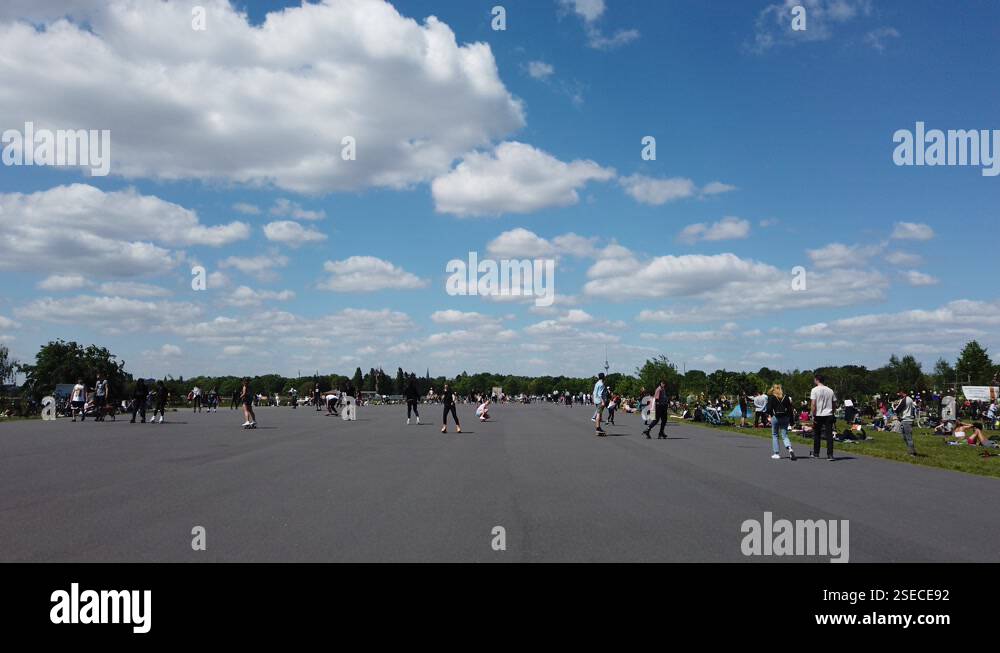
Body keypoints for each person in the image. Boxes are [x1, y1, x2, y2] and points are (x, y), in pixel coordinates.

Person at [809, 375, 836, 460]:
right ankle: (830, 454)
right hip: (829, 414)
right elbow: (834, 403)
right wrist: (833, 412)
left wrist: (813, 414)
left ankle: (816, 453)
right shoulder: (830, 390)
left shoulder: (814, 390)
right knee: (829, 435)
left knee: (817, 434)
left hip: (818, 414)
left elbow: (813, 404)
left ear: (817, 380)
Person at [766, 384, 796, 460]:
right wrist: (792, 422)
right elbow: (790, 410)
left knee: (775, 435)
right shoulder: (786, 397)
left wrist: (769, 416)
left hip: (775, 417)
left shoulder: (771, 397)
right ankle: (790, 449)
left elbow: (769, 409)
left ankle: (776, 453)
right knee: (785, 435)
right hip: (785, 417)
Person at [892, 390, 919, 457]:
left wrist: (893, 405)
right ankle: (912, 450)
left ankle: (912, 453)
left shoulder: (905, 400)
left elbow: (897, 410)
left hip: (907, 420)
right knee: (905, 436)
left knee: (908, 437)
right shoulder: (910, 399)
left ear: (904, 393)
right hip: (907, 419)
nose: (899, 394)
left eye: (900, 392)